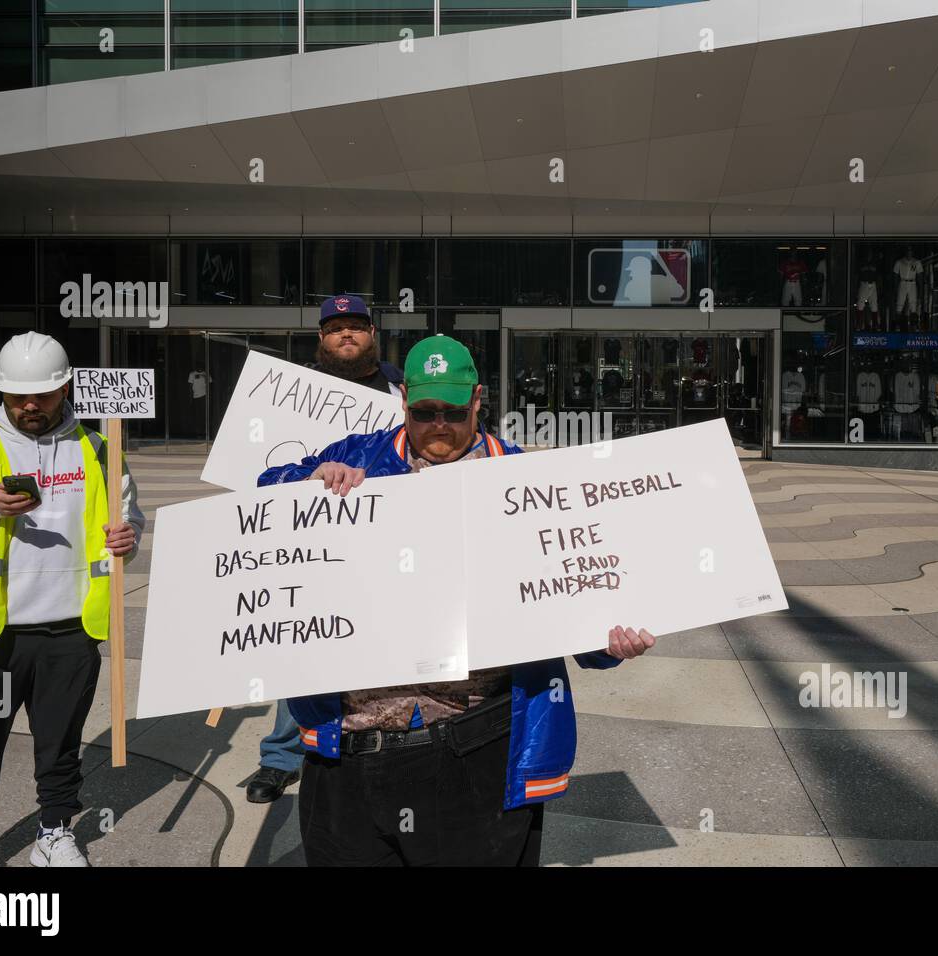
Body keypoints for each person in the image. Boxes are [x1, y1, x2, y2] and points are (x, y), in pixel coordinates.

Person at [259, 335, 655, 866]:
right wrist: (305, 481)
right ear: (403, 402)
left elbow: (576, 607)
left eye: (452, 409)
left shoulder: (527, 484)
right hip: (348, 756)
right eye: (425, 411)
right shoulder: (356, 455)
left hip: (474, 750)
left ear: (477, 401)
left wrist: (612, 641)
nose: (439, 424)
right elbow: (263, 497)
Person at [0, 332, 144, 867]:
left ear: (65, 387)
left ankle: (54, 832)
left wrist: (127, 532)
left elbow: (127, 513)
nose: (30, 406)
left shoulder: (100, 447)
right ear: (1, 391)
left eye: (42, 394)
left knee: (59, 743)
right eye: (18, 396)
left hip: (69, 630)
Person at [247, 293, 404, 805]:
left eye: (356, 326)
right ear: (321, 337)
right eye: (336, 327)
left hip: (379, 534)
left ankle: (372, 737)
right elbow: (261, 467)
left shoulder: (397, 387)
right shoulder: (289, 390)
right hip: (309, 534)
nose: (347, 334)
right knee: (302, 640)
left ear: (372, 334)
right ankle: (281, 757)